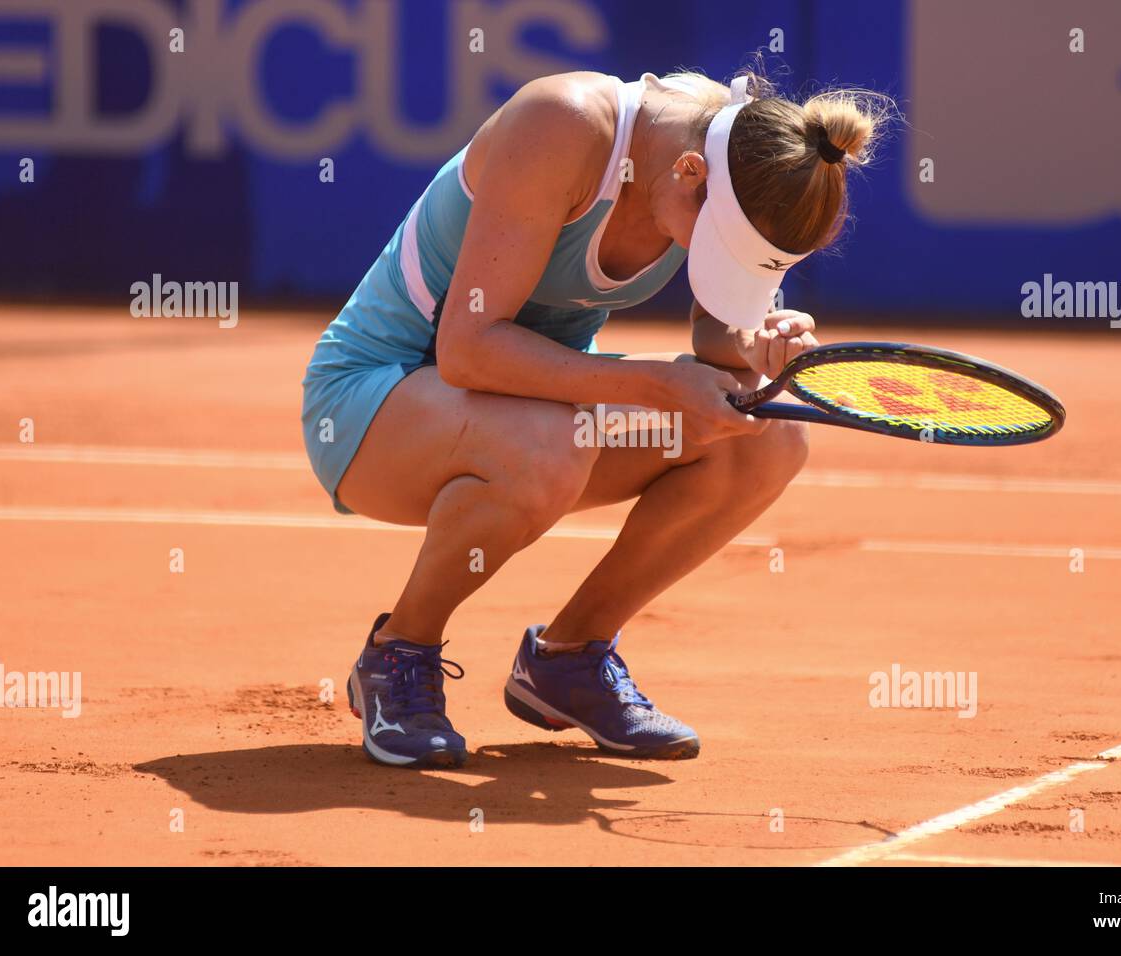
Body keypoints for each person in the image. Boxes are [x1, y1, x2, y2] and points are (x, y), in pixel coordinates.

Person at [301, 67, 886, 767]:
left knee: (765, 432)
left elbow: (715, 338)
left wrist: (756, 345)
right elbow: (468, 351)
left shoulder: (740, 161)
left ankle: (569, 660)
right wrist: (660, 388)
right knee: (550, 438)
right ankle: (400, 652)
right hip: (372, 407)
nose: (715, 262)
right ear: (689, 172)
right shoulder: (563, 124)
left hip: (535, 421)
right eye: (718, 249)